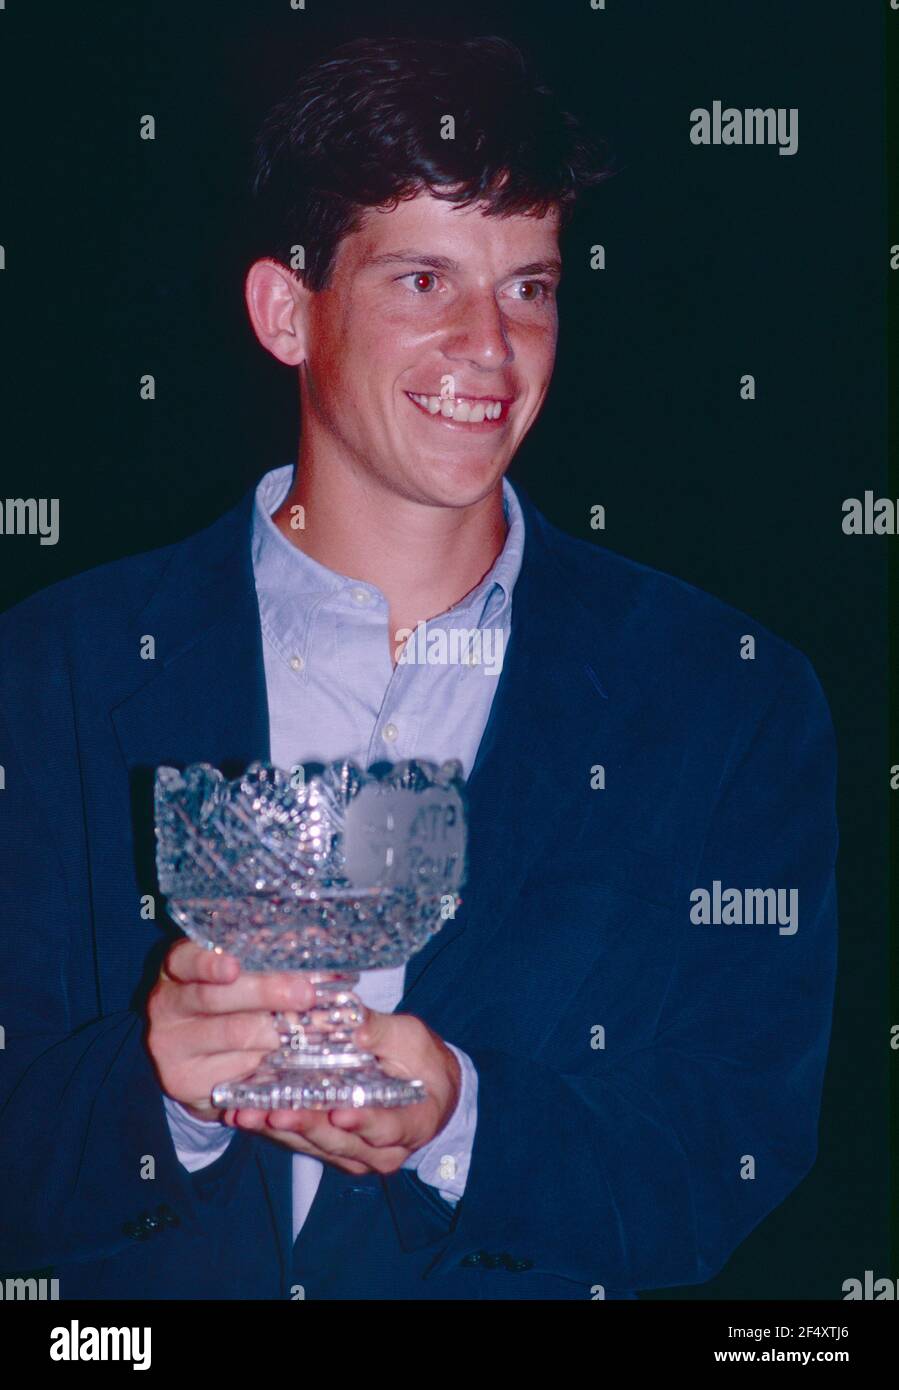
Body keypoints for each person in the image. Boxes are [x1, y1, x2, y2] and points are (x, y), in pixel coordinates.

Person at [0, 35, 837, 1300]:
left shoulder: (726, 697)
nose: (489, 347)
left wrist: (462, 1124)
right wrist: (152, 1088)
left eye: (528, 288)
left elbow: (733, 1148)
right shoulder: (55, 668)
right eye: (421, 279)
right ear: (288, 311)